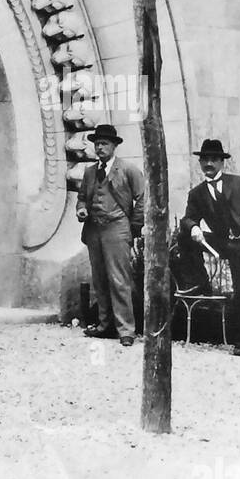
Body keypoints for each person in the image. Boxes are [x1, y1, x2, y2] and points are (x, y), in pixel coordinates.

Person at [179, 138, 240, 356]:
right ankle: (200, 283)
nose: (209, 164)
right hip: (222, 243)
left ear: (222, 162)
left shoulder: (239, 182)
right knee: (184, 235)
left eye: (214, 159)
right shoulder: (197, 193)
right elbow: (188, 218)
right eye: (204, 160)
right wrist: (194, 227)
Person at [76, 124, 145, 346]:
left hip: (117, 228)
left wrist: (133, 227)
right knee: (100, 279)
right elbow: (82, 197)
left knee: (119, 279)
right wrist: (81, 209)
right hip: (94, 230)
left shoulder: (128, 170)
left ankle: (126, 330)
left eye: (104, 143)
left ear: (114, 146)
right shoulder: (89, 172)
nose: (100, 147)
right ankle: (104, 325)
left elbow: (143, 199)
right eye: (97, 143)